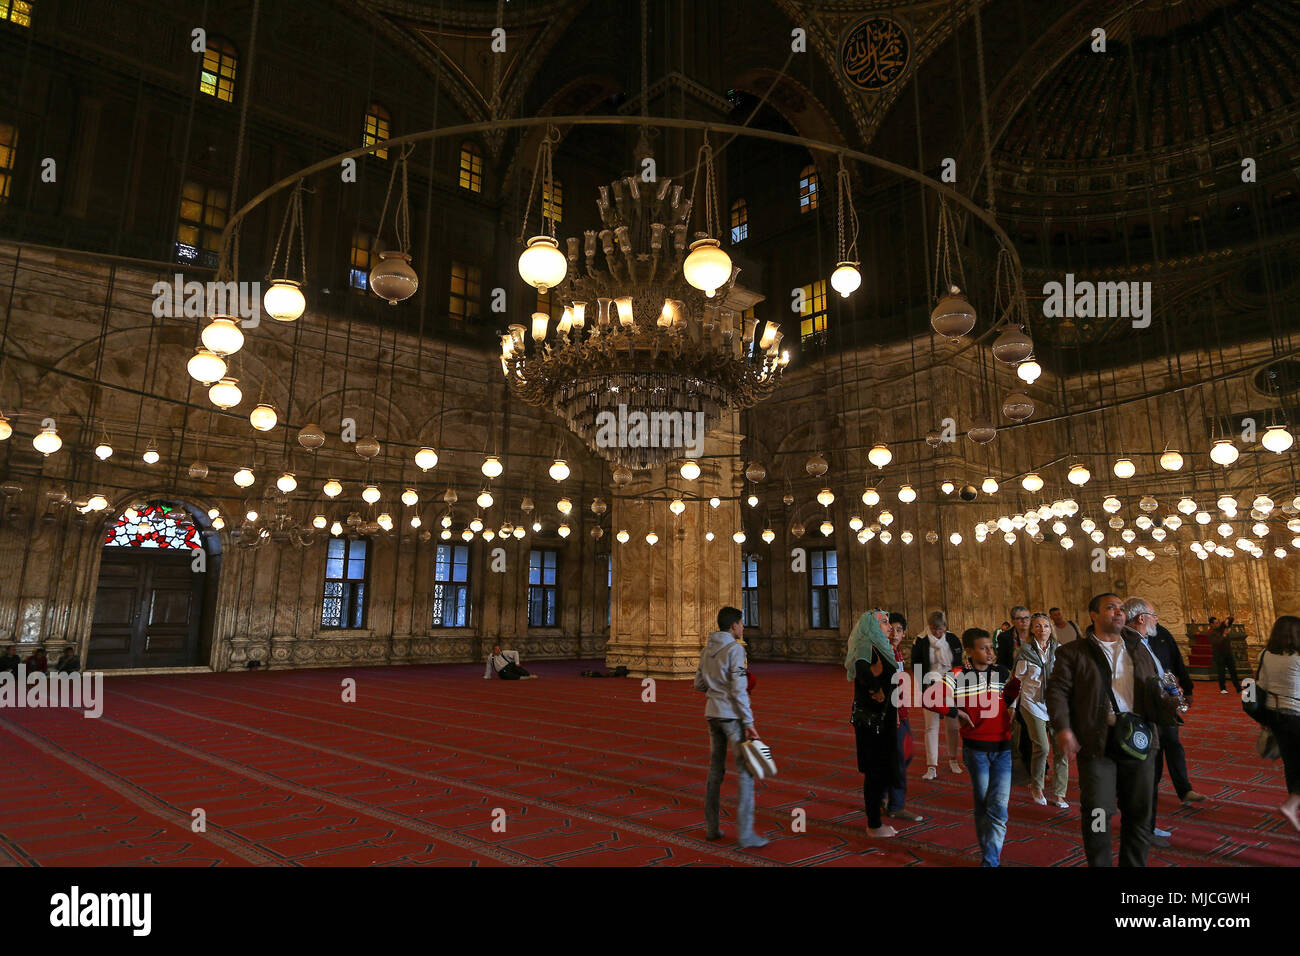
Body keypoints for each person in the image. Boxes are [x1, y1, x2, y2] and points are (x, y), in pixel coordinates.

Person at [1047, 593, 1180, 867]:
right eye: (1111, 608)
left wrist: (1169, 696)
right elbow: (1056, 692)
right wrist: (1063, 729)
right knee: (1097, 813)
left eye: (1121, 609)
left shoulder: (1140, 648)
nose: (1119, 613)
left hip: (1141, 742)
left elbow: (1155, 684)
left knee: (1139, 815)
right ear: (1093, 615)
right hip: (1098, 744)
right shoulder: (1073, 652)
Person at [929, 627, 1020, 866]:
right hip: (976, 750)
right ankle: (988, 855)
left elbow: (1014, 688)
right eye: (984, 648)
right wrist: (954, 711)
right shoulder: (957, 674)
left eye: (992, 647)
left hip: (1003, 748)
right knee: (983, 804)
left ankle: (991, 861)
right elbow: (931, 698)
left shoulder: (1002, 672)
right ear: (969, 651)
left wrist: (1006, 706)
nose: (990, 652)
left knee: (999, 808)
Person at [1123, 598, 1206, 841]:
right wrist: (1165, 695)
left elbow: (1166, 670)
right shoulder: (1130, 642)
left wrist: (1175, 691)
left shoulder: (1145, 639)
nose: (1156, 618)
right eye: (1154, 614)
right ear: (1141, 618)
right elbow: (1142, 683)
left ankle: (1146, 825)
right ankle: (1142, 829)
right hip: (1144, 719)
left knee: (1154, 769)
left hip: (1157, 715)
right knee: (1147, 774)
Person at [694, 606, 767, 848]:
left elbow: (699, 684)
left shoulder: (707, 650)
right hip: (732, 717)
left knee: (715, 772)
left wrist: (716, 691)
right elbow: (738, 690)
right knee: (745, 773)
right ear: (734, 625)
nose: (743, 627)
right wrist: (749, 723)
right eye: (741, 623)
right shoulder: (735, 650)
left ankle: (712, 828)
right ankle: (746, 834)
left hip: (711, 713)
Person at [846, 609, 901, 838]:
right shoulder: (866, 644)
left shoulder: (881, 646)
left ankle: (877, 819)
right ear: (871, 626)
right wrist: (875, 690)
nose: (889, 627)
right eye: (885, 623)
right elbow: (861, 669)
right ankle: (874, 824)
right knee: (875, 770)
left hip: (884, 717)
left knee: (882, 768)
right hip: (872, 720)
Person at [1015, 613, 1069, 807]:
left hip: (1055, 705)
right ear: (1032, 630)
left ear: (1051, 629)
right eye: (1037, 626)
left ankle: (1060, 793)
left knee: (1061, 749)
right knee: (1043, 747)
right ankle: (1037, 786)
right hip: (1032, 703)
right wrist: (1011, 706)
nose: (1042, 630)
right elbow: (1017, 681)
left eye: (1045, 626)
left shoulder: (1060, 650)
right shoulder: (1026, 652)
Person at [1253, 615, 1300, 832]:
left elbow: (1260, 685)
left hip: (1275, 715)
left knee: (1292, 763)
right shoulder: (1298, 658)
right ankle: (1292, 805)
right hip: (1297, 714)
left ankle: (1294, 803)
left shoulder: (1265, 655)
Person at [910, 610, 965, 779]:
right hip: (930, 685)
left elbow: (959, 663)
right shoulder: (920, 641)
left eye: (940, 629)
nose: (937, 633)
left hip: (951, 685)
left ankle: (953, 759)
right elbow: (916, 666)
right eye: (934, 629)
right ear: (929, 627)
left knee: (952, 726)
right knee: (931, 726)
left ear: (945, 627)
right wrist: (923, 688)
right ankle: (931, 766)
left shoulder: (953, 639)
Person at [884, 612, 924, 823]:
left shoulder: (897, 653)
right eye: (891, 629)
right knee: (900, 757)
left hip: (901, 711)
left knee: (905, 754)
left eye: (898, 630)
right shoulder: (883, 653)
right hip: (891, 715)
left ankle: (881, 793)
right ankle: (895, 804)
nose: (894, 634)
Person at [1207, 615, 1241, 694]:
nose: (1218, 624)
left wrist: (1227, 620)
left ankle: (1238, 689)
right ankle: (1223, 689)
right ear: (1211, 624)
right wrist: (1224, 635)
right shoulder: (1211, 633)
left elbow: (1231, 619)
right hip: (1219, 654)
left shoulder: (1221, 627)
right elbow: (1217, 643)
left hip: (1228, 653)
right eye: (1215, 623)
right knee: (1221, 672)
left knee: (1233, 672)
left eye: (1218, 622)